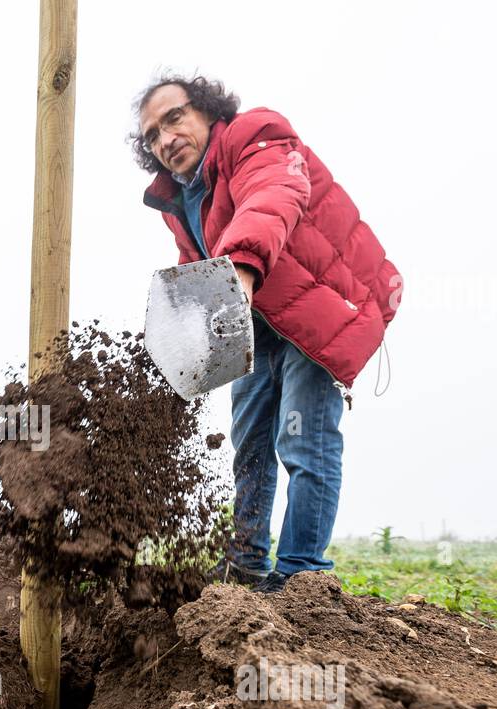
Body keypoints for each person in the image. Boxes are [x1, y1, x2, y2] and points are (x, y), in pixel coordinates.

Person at [132, 75, 401, 593]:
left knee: (303, 440)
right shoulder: (181, 200)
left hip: (324, 303)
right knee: (250, 439)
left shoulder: (255, 135)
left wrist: (242, 269)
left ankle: (303, 578)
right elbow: (196, 274)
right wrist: (176, 356)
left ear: (207, 112)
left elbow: (273, 196)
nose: (165, 139)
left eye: (174, 118)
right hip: (259, 320)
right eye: (151, 136)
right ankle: (247, 560)